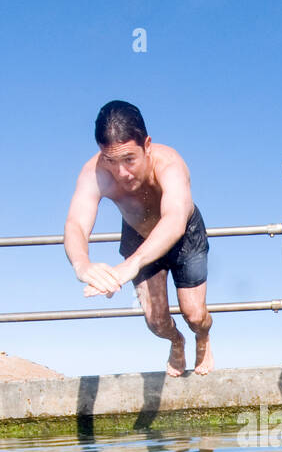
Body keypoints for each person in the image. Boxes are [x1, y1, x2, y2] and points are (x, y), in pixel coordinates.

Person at [64, 100, 213, 376]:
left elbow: (174, 220)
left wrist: (131, 264)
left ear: (147, 145)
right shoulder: (94, 172)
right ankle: (175, 341)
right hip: (137, 234)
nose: (121, 173)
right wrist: (82, 264)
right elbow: (75, 223)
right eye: (110, 160)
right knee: (156, 322)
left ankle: (202, 336)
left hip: (184, 236)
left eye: (129, 159)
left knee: (194, 315)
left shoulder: (169, 164)